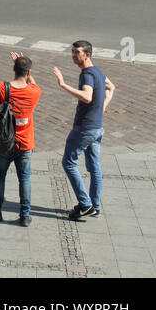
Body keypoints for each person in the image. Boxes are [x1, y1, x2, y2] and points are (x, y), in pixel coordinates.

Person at [55, 40, 114, 221]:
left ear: (87, 55)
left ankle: (85, 204)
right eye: (72, 51)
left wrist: (63, 85)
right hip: (97, 128)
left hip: (84, 129)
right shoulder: (98, 71)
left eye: (77, 52)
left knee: (68, 163)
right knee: (94, 167)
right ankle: (94, 206)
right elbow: (111, 87)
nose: (73, 55)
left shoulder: (87, 74)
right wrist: (102, 106)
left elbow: (87, 97)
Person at [0, 51, 41, 227]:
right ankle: (24, 215)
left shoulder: (2, 88)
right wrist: (26, 69)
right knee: (24, 178)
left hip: (4, 142)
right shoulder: (34, 92)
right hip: (24, 143)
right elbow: (33, 83)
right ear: (29, 72)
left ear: (13, 69)